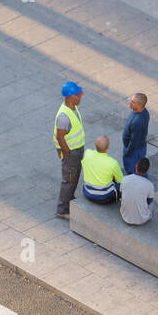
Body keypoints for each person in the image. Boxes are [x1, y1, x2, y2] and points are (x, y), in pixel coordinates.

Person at [54, 81, 85, 219]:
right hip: (71, 153)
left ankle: (70, 199)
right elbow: (60, 138)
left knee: (74, 176)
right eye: (78, 94)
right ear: (72, 96)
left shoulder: (73, 107)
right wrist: (68, 153)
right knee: (69, 180)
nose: (81, 95)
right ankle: (63, 210)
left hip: (76, 151)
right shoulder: (64, 117)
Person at [81, 135, 123, 204]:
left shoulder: (87, 153)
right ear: (108, 147)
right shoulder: (113, 163)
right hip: (104, 197)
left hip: (87, 192)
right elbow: (120, 180)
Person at [120, 158, 154, 226]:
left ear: (136, 166)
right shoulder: (149, 184)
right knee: (152, 202)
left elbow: (121, 193)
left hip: (125, 216)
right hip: (142, 219)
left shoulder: (125, 179)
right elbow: (149, 201)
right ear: (147, 170)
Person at [122, 92, 149, 176]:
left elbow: (134, 141)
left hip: (134, 152)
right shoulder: (143, 112)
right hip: (137, 149)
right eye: (131, 100)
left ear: (140, 105)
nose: (130, 103)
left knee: (134, 172)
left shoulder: (138, 121)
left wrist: (127, 152)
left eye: (133, 102)